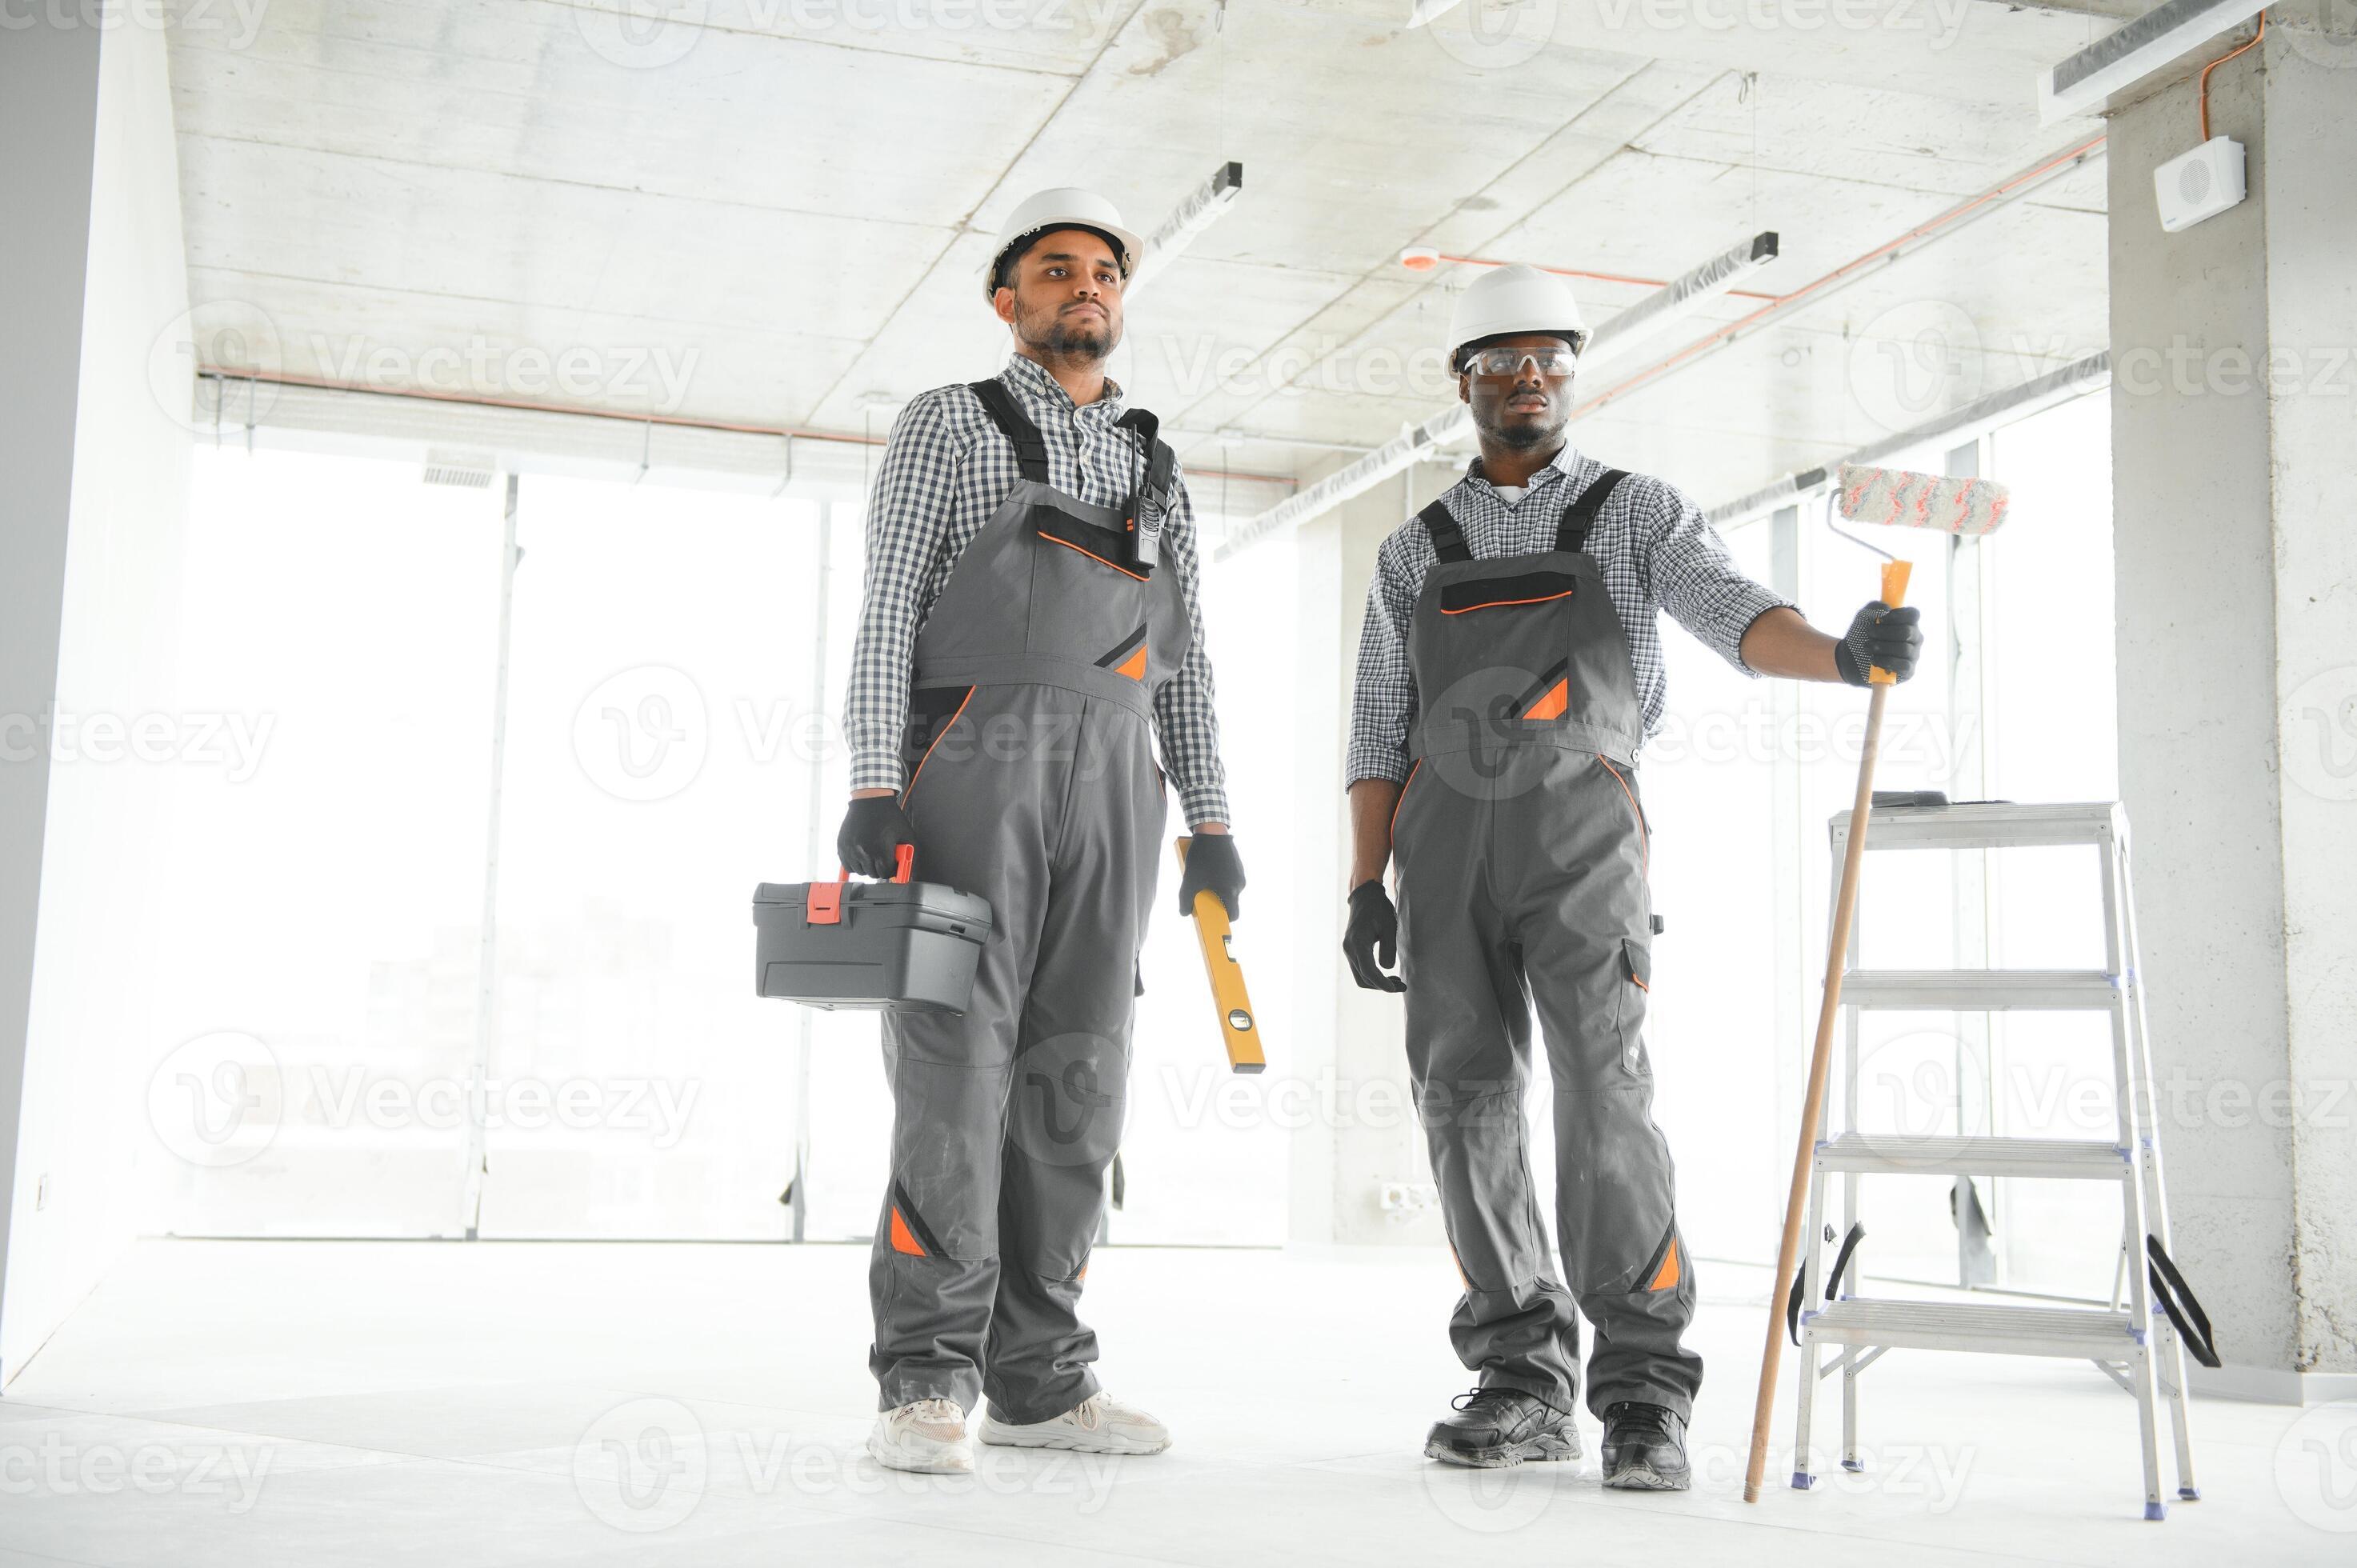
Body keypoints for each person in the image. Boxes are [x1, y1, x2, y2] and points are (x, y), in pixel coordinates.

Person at [1339, 264, 1923, 1490]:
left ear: (1569, 373)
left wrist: (1843, 655)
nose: (1528, 378)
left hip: (1580, 841)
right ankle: (1517, 1377)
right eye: (1501, 362)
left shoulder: (1630, 510)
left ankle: (1643, 1391)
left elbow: (1731, 613)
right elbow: (1376, 725)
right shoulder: (1410, 549)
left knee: (1606, 1099)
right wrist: (1361, 883)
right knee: (1462, 1107)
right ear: (1465, 385)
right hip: (1438, 849)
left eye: (1548, 357)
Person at [836, 187, 1247, 1474]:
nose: (1088, 289)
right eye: (1058, 271)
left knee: (1077, 1079)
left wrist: (1213, 819)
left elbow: (1185, 662)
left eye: (1107, 275)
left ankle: (1041, 1379)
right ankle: (923, 1381)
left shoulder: (1153, 464)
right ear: (1006, 300)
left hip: (1117, 789)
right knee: (955, 1076)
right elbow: (891, 601)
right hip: (972, 774)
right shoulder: (949, 425)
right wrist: (870, 778)